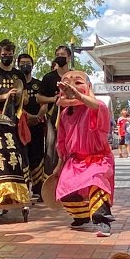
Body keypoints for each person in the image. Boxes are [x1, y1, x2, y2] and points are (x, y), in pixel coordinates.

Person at [50, 71, 116, 236]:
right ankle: (82, 217)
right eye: (66, 82)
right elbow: (62, 143)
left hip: (97, 159)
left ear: (89, 87)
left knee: (97, 184)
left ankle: (103, 222)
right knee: (65, 189)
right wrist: (59, 165)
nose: (71, 85)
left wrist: (78, 95)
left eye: (78, 82)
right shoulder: (65, 114)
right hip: (75, 161)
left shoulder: (96, 107)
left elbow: (96, 105)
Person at [20, 53, 50, 200]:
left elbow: (44, 103)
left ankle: (38, 188)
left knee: (38, 155)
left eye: (28, 62)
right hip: (22, 125)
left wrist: (37, 116)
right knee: (23, 155)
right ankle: (25, 188)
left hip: (37, 125)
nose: (25, 65)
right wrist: (27, 116)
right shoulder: (17, 84)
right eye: (22, 63)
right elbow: (17, 105)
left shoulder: (39, 84)